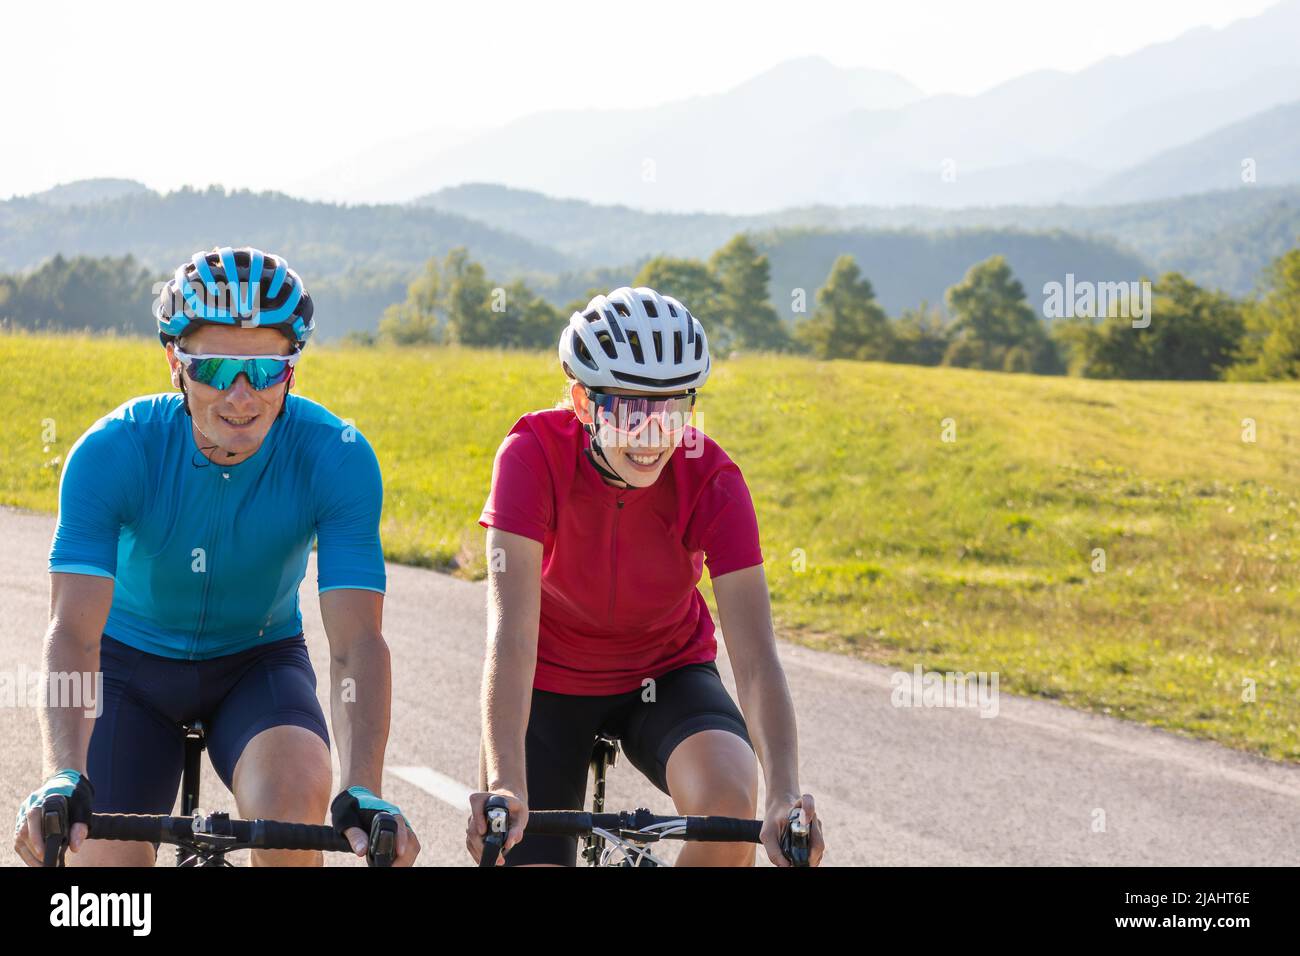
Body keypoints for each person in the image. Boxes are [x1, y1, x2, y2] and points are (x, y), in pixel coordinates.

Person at [12, 247, 418, 867]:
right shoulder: (113, 450)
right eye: (214, 366)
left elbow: (358, 642)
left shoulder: (338, 456)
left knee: (293, 811)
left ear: (293, 368)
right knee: (100, 873)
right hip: (128, 669)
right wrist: (61, 775)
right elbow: (71, 632)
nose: (239, 395)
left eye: (264, 369)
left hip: (256, 665)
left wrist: (362, 785)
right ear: (175, 362)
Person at [466, 286, 824, 866]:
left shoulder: (713, 477)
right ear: (583, 401)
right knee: (512, 845)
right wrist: (505, 781)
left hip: (666, 672)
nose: (652, 435)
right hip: (548, 680)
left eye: (672, 411)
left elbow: (757, 660)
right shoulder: (529, 456)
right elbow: (509, 639)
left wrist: (785, 791)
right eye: (631, 410)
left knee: (732, 811)